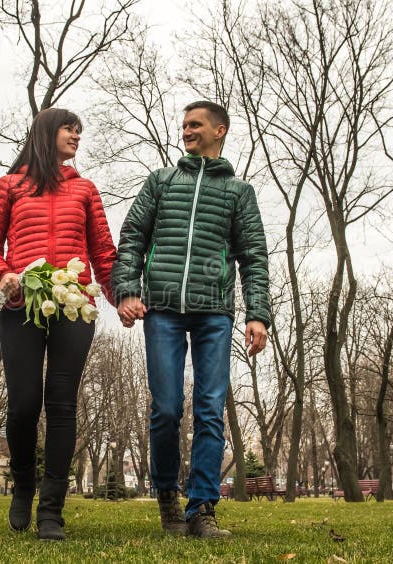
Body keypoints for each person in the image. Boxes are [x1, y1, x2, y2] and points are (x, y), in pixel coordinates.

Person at [111, 101, 270, 538]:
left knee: (210, 410)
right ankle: (167, 497)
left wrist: (258, 314)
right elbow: (132, 239)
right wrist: (126, 289)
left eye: (195, 125)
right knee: (165, 408)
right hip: (161, 308)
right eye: (183, 125)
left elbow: (254, 257)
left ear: (220, 130)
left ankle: (202, 508)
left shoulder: (239, 193)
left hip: (213, 313)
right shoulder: (161, 181)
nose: (187, 131)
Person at [0, 108, 116, 541]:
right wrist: (2, 274)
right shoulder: (9, 186)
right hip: (22, 305)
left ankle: (51, 510)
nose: (77, 135)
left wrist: (122, 296)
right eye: (69, 128)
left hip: (73, 306)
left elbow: (103, 252)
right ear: (46, 132)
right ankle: (23, 484)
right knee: (22, 404)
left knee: (62, 404)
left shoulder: (86, 190)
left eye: (80, 131)